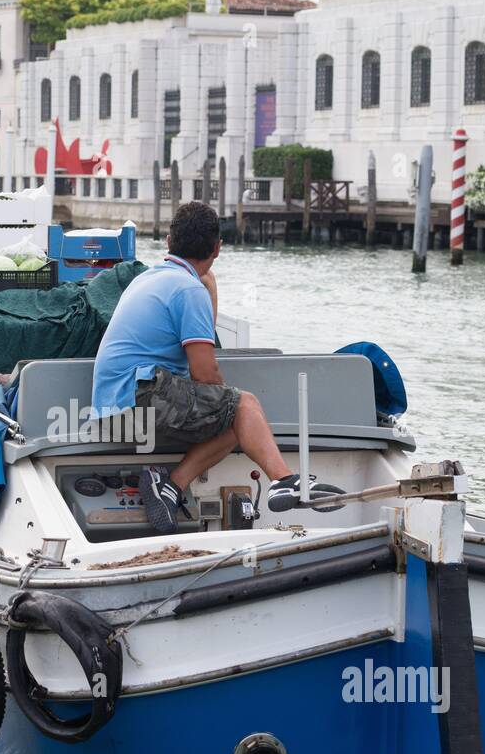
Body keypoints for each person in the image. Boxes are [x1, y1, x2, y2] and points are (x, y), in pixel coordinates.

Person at [90, 201, 321, 533]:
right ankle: (284, 480)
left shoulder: (151, 278)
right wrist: (232, 401)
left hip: (113, 403)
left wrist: (208, 288)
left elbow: (198, 356)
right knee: (244, 405)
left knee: (239, 422)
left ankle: (169, 487)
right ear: (218, 248)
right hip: (139, 397)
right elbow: (205, 373)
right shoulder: (187, 289)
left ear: (169, 241)